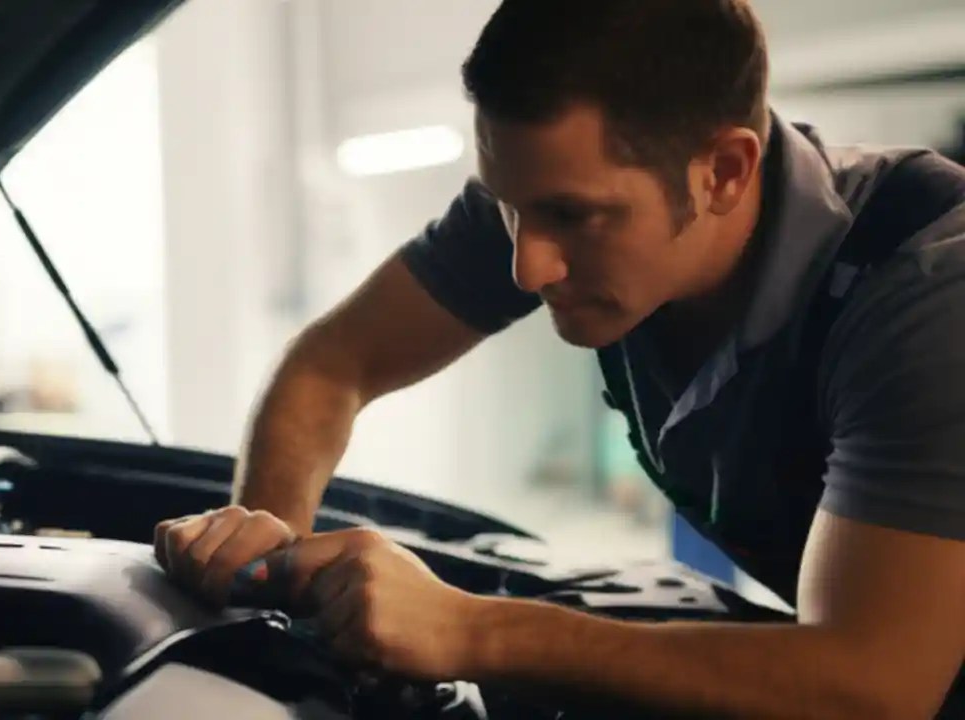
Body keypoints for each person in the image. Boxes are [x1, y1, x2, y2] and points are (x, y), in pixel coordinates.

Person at [155, 1, 965, 716]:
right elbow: (333, 366)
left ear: (724, 171)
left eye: (573, 217)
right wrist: (267, 574)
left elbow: (870, 687)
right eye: (507, 207)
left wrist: (474, 630)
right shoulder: (547, 197)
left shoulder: (929, 295)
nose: (527, 267)